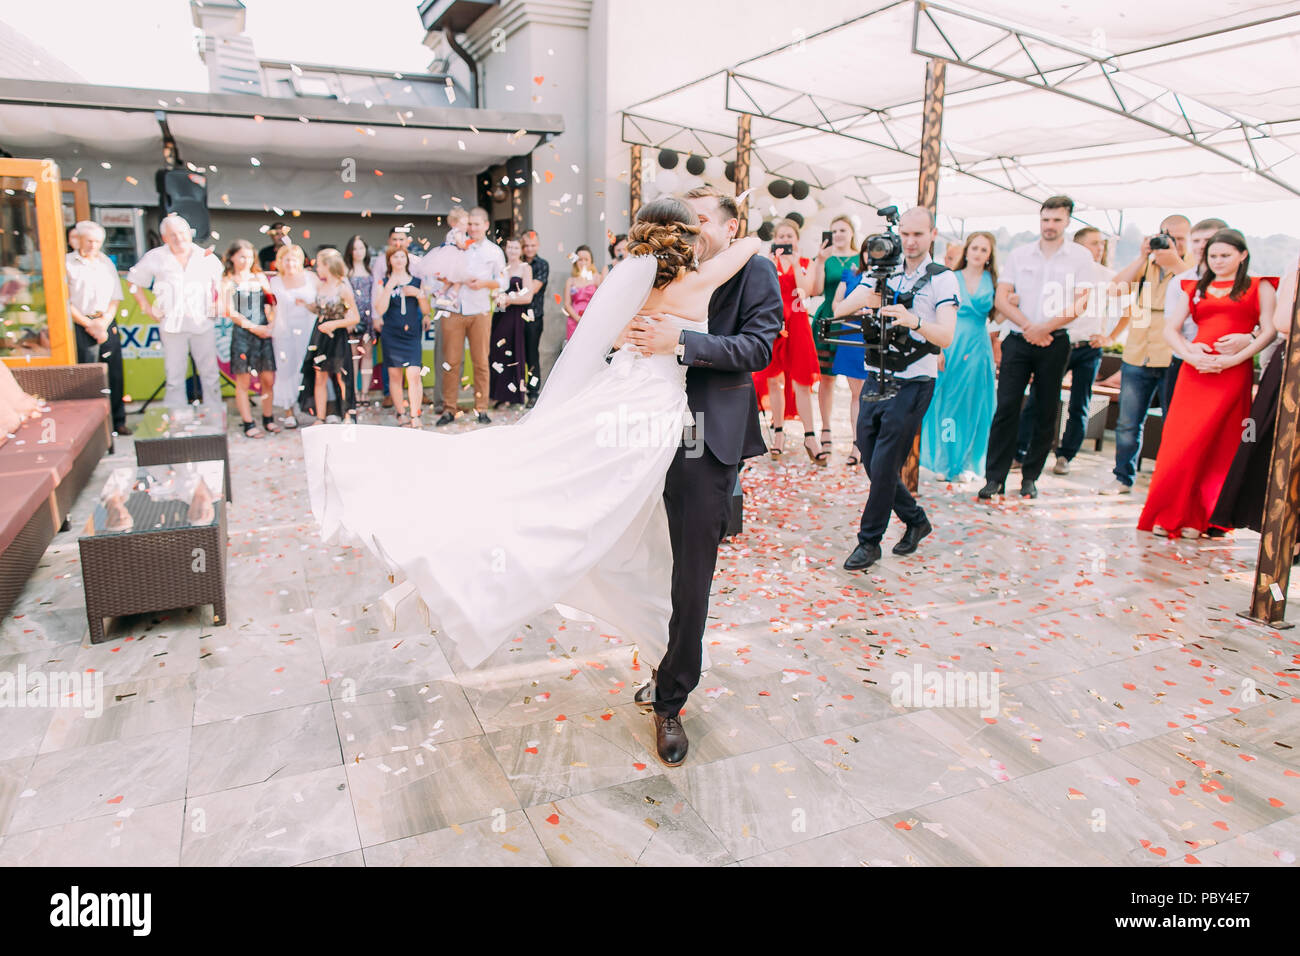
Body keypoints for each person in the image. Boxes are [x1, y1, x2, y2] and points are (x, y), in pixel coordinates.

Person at [302, 190, 779, 770]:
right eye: (692, 220)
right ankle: (487, 573)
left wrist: (678, 339)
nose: (699, 230)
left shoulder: (749, 269)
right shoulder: (659, 273)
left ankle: (671, 694)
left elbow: (758, 347)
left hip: (702, 435)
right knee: (611, 539)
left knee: (691, 568)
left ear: (731, 226)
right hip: (641, 422)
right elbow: (600, 344)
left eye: (709, 220)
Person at [834, 207, 958, 569]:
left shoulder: (942, 279)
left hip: (914, 382)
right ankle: (916, 520)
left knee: (886, 464)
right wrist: (867, 299)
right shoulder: (882, 271)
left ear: (933, 234)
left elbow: (946, 336)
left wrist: (914, 320)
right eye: (905, 233)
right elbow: (842, 308)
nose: (910, 241)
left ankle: (869, 542)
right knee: (872, 461)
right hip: (876, 376)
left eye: (918, 234)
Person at [1138, 230, 1277, 537]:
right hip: (1195, 372)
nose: (1218, 261)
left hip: (1232, 373)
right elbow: (1171, 330)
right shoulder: (1195, 287)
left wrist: (1238, 354)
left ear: (1242, 255)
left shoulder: (1260, 285)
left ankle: (1205, 517)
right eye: (1213, 256)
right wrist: (1190, 354)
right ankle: (1169, 513)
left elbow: (1269, 331)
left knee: (1221, 444)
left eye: (1225, 255)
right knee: (1180, 443)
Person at [979, 196, 1095, 499]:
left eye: (1056, 220)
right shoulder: (1020, 254)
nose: (1050, 226)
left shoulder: (1080, 257)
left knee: (1045, 409)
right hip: (1019, 339)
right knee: (1006, 408)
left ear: (1068, 221)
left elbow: (1081, 301)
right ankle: (995, 478)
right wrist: (1030, 327)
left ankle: (1031, 477)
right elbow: (1002, 298)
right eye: (1045, 219)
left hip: (1054, 341)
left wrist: (1046, 328)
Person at [1016, 226, 1132, 475]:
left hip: (1089, 348)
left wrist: (1109, 337)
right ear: (1078, 247)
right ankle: (1021, 451)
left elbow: (1128, 311)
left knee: (1080, 404)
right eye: (1093, 243)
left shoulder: (1109, 277)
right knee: (1038, 398)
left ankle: (1065, 456)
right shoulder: (1062, 272)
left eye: (1102, 244)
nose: (1099, 248)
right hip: (1059, 344)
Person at [1209, 267, 1297, 535]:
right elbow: (1282, 323)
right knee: (1267, 444)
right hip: (1290, 364)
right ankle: (1282, 535)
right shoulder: (1296, 263)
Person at [127, 214, 224, 412]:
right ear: (165, 238)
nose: (178, 238)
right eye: (172, 235)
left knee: (210, 373)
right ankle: (177, 418)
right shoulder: (155, 257)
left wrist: (218, 304)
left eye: (182, 233)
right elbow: (133, 281)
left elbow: (222, 284)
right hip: (172, 324)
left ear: (189, 234)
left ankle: (214, 415)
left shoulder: (205, 256)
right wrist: (146, 308)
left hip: (202, 322)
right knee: (174, 375)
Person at [920, 231, 997, 481]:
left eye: (983, 250)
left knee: (972, 406)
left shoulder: (993, 280)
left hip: (978, 348)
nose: (978, 253)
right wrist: (938, 349)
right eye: (974, 248)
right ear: (967, 251)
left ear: (989, 256)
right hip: (951, 343)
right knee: (946, 405)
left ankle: (964, 463)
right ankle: (943, 460)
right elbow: (934, 313)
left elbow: (998, 317)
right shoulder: (951, 277)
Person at [752, 218, 821, 463]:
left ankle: (810, 435)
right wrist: (772, 265)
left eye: (789, 236)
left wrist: (794, 264)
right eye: (781, 236)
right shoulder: (767, 263)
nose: (785, 240)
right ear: (775, 239)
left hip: (798, 323)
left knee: (802, 381)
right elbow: (761, 291)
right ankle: (778, 433)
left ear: (797, 240)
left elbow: (806, 291)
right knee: (774, 381)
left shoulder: (805, 263)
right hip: (773, 323)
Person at [437, 207, 502, 426]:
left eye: (476, 224)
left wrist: (483, 283)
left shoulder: (494, 252)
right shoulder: (455, 245)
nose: (472, 228)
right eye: (469, 224)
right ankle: (449, 409)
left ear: (486, 225)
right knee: (451, 362)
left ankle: (482, 408)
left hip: (480, 310)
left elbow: (503, 282)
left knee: (481, 361)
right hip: (454, 310)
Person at [66, 221, 129, 434]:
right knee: (87, 376)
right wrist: (89, 324)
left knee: (114, 373)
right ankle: (90, 426)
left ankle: (118, 421)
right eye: (90, 241)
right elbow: (65, 301)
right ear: (79, 240)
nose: (94, 245)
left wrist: (103, 322)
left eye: (98, 242)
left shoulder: (106, 264)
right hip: (81, 324)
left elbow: (115, 297)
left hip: (106, 322)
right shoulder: (66, 263)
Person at [811, 215, 863, 464]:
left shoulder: (860, 259)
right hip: (827, 322)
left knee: (857, 387)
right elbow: (816, 289)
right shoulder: (826, 258)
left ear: (852, 232)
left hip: (854, 325)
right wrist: (820, 262)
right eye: (834, 230)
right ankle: (826, 430)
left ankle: (857, 441)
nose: (839, 234)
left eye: (843, 229)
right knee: (826, 380)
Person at [222, 239, 278, 438]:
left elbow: (271, 303)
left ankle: (268, 418)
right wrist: (254, 328)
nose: (246, 260)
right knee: (243, 381)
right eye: (241, 256)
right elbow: (229, 311)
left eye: (249, 256)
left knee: (268, 379)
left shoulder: (260, 278)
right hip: (243, 334)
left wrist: (270, 324)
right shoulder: (228, 280)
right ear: (233, 257)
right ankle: (248, 422)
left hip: (264, 333)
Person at [304, 248, 362, 425]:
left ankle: (347, 414)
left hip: (337, 335)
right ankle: (320, 417)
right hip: (320, 336)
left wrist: (333, 324)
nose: (317, 269)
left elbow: (354, 317)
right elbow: (319, 308)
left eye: (319, 265)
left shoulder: (342, 288)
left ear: (328, 265)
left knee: (341, 375)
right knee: (320, 375)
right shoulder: (320, 287)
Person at [374, 246, 430, 426]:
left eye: (402, 256)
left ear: (407, 260)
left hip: (411, 334)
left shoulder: (416, 281)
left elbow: (426, 310)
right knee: (395, 375)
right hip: (392, 333)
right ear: (389, 261)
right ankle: (401, 413)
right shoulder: (383, 282)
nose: (398, 260)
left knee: (414, 373)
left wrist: (419, 294)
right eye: (395, 257)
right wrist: (389, 286)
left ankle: (416, 414)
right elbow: (380, 309)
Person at [267, 244, 317, 428]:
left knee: (307, 367)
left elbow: (320, 304)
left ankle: (312, 406)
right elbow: (270, 308)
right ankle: (289, 410)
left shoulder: (311, 278)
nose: (290, 263)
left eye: (294, 259)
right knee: (285, 370)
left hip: (307, 331)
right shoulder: (275, 282)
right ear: (280, 261)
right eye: (286, 259)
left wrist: (307, 305)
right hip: (283, 332)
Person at [489, 237, 533, 407]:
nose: (513, 251)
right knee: (497, 351)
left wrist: (508, 298)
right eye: (510, 247)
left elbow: (528, 296)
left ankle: (514, 396)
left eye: (516, 247)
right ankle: (498, 394)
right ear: (505, 249)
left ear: (521, 250)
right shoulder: (501, 267)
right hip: (500, 312)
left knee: (514, 353)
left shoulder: (525, 268)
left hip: (515, 314)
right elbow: (494, 290)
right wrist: (498, 298)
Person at [521, 230, 550, 406]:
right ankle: (513, 393)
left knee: (532, 356)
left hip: (533, 316)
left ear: (537, 245)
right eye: (526, 246)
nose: (530, 249)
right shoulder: (516, 262)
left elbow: (532, 289)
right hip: (514, 317)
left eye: (533, 245)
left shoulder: (542, 264)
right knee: (515, 355)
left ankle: (533, 392)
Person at [344, 235, 374, 397]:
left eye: (361, 248)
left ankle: (365, 392)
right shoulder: (346, 271)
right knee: (353, 355)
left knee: (367, 354)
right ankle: (354, 391)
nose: (358, 252)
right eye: (355, 248)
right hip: (352, 317)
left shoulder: (371, 270)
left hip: (368, 318)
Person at [563, 245, 600, 341]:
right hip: (574, 321)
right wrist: (578, 319)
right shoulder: (570, 281)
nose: (583, 262)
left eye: (586, 259)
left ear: (591, 261)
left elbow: (602, 300)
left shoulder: (596, 277)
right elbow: (567, 304)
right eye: (580, 259)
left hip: (592, 320)